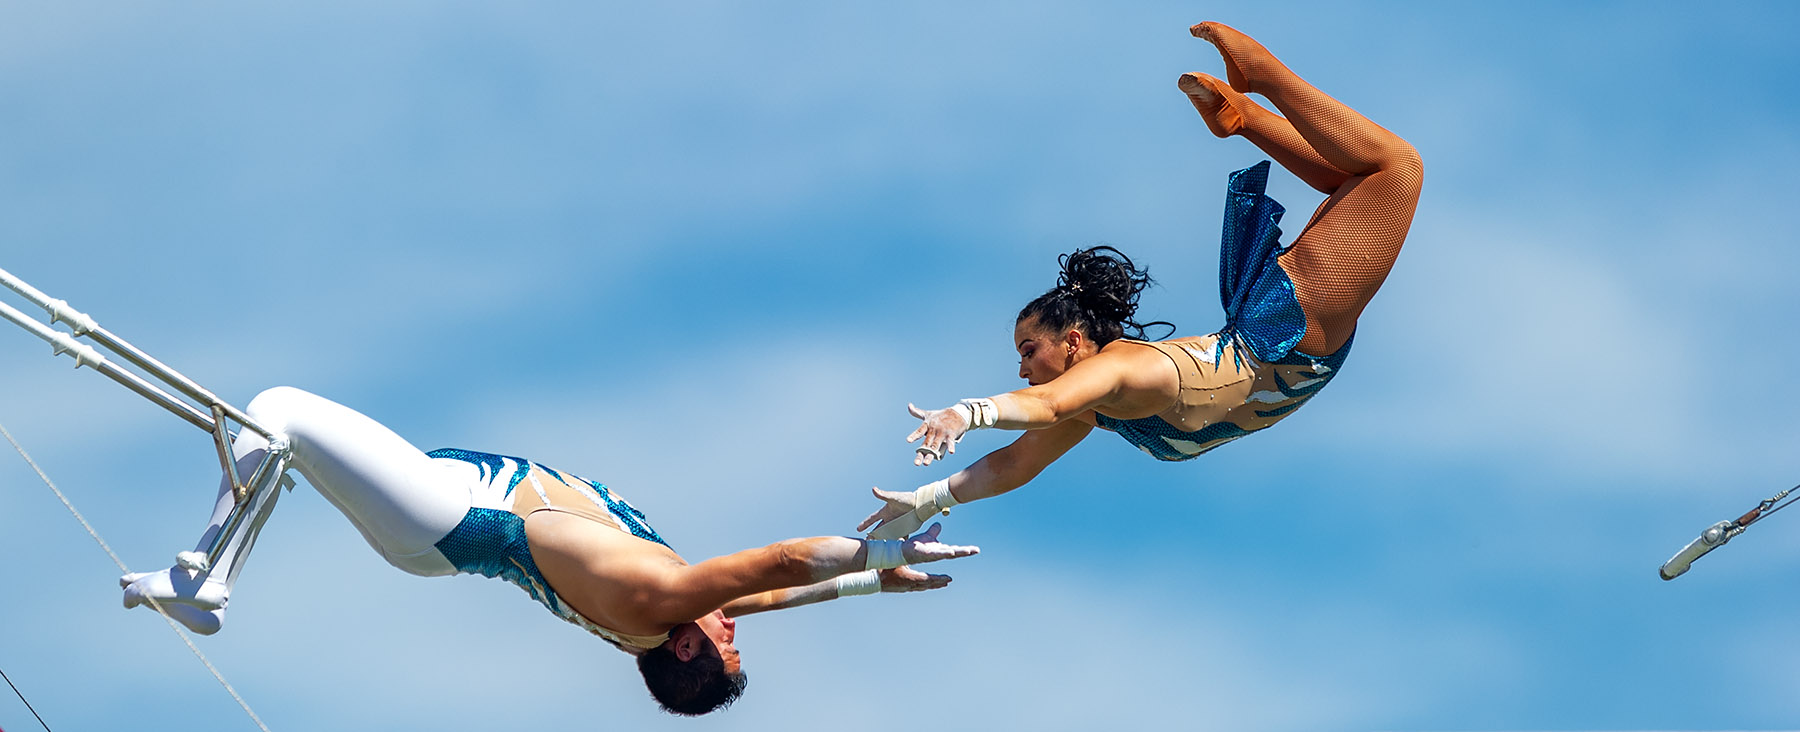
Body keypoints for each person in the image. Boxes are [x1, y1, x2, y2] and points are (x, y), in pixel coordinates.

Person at [860, 21, 1423, 539]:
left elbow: (1048, 405)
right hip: (1285, 346)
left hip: (1283, 333)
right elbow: (1013, 462)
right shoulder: (1096, 403)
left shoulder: (1123, 369)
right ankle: (1244, 118)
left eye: (1029, 350)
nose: (1022, 367)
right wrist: (926, 501)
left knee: (1392, 168)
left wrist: (967, 412)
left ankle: (1263, 81)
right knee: (1367, 177)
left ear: (1075, 341)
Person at [120, 387, 977, 716]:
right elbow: (772, 596)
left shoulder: (657, 597)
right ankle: (209, 575)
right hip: (436, 524)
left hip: (444, 516)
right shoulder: (662, 614)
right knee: (287, 439)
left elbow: (782, 560)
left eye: (725, 639)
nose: (733, 624)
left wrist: (879, 548)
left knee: (280, 412)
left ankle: (204, 582)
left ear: (685, 641)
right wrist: (875, 586)